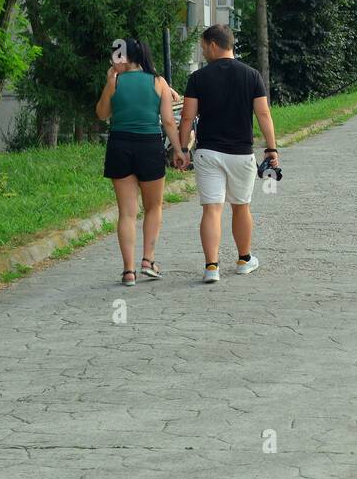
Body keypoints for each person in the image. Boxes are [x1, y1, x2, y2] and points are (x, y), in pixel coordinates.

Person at [178, 24, 278, 284]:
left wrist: (182, 149)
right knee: (241, 207)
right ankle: (244, 260)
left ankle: (212, 267)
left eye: (202, 47)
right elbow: (264, 114)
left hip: (208, 153)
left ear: (213, 45)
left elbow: (187, 117)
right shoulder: (252, 75)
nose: (202, 52)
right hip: (241, 154)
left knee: (211, 209)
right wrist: (271, 148)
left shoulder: (198, 78)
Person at [95, 36, 186, 286]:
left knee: (126, 212)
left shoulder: (115, 82)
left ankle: (128, 271)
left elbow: (102, 114)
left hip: (119, 145)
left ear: (124, 58)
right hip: (149, 146)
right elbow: (168, 122)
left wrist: (109, 83)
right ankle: (148, 260)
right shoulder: (158, 82)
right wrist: (178, 150)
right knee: (154, 207)